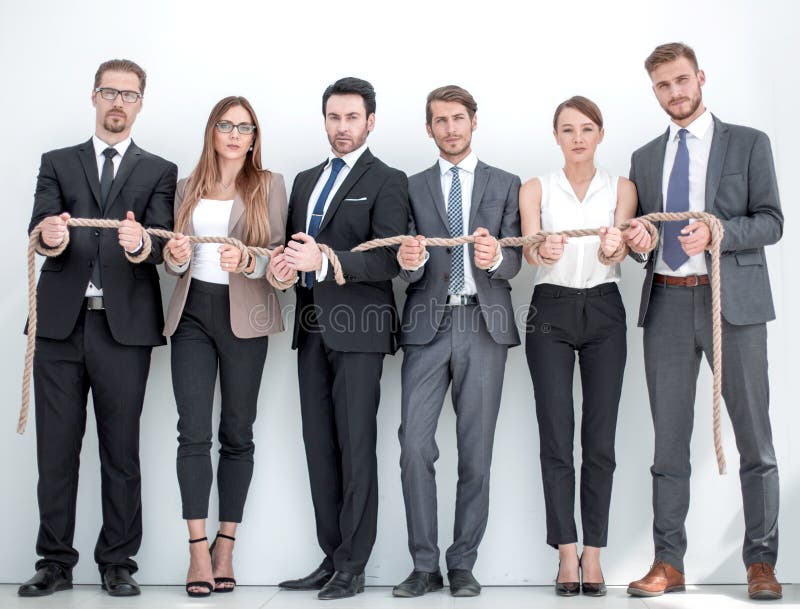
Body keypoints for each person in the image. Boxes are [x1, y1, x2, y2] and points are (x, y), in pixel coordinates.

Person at [624, 42, 783, 601]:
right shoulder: (644, 157)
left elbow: (772, 222)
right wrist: (639, 241)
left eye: (682, 80)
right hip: (666, 305)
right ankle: (668, 563)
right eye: (664, 85)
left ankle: (761, 562)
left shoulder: (748, 143)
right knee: (668, 445)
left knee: (755, 442)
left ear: (700, 78)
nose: (675, 92)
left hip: (732, 306)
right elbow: (642, 239)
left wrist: (720, 231)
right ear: (654, 91)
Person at [19, 59, 177, 597]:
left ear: (140, 104)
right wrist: (53, 236)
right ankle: (54, 562)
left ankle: (118, 562)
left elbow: (160, 242)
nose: (118, 102)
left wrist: (140, 243)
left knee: (121, 450)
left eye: (129, 95)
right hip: (59, 329)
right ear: (93, 96)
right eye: (110, 92)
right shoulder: (57, 162)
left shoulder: (160, 170)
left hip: (124, 330)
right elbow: (40, 229)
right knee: (56, 451)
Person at [269, 77, 409, 600]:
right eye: (334, 117)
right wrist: (285, 267)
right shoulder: (306, 180)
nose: (342, 127)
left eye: (352, 117)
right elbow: (293, 250)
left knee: (355, 449)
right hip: (311, 328)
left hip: (360, 330)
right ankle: (331, 558)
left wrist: (325, 262)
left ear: (370, 122)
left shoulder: (388, 180)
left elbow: (389, 259)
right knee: (319, 448)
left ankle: (354, 564)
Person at [393, 85, 521, 598]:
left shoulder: (505, 183)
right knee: (413, 447)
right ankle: (424, 565)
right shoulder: (410, 186)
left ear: (473, 122)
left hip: (484, 325)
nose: (450, 128)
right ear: (428, 128)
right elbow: (404, 262)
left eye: (458, 118)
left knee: (477, 452)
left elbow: (516, 258)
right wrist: (409, 261)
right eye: (440, 120)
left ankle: (463, 563)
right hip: (427, 325)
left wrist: (496, 257)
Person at [162, 96, 287, 597]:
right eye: (226, 125)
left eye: (245, 127)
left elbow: (279, 256)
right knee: (192, 432)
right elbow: (174, 262)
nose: (235, 135)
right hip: (192, 314)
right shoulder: (186, 186)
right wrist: (174, 256)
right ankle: (197, 550)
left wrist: (251, 263)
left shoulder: (269, 185)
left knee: (237, 432)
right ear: (212, 131)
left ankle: (225, 546)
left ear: (255, 138)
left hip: (246, 316)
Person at [519, 96, 637, 597]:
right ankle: (566, 552)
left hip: (605, 309)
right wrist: (541, 248)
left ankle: (594, 553)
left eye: (587, 128)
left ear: (600, 134)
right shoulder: (536, 188)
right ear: (556, 136)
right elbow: (529, 251)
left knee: (600, 439)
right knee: (556, 435)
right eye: (567, 130)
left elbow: (623, 248)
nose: (578, 138)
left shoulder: (623, 188)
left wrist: (615, 248)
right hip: (550, 309)